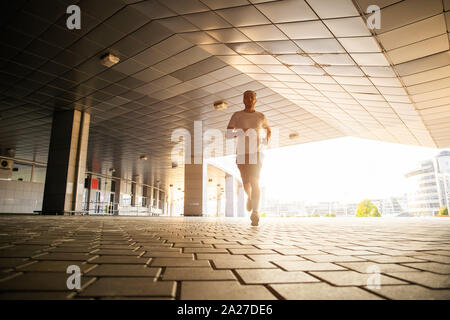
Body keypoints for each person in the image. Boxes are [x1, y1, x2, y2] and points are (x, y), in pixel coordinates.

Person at [226, 90, 271, 226]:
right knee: (246, 183)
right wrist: (241, 131)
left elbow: (268, 129)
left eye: (252, 97)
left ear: (255, 100)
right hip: (241, 154)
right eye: (247, 97)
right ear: (243, 100)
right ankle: (250, 197)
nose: (249, 99)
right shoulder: (237, 115)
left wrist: (266, 139)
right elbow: (228, 134)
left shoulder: (261, 116)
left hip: (256, 154)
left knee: (254, 181)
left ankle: (255, 212)